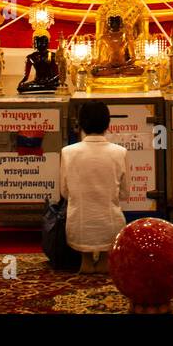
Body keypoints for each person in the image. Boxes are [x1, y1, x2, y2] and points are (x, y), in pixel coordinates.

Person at [58, 100, 128, 274]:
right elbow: (125, 193)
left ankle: (86, 261)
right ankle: (104, 260)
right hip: (111, 227)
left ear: (80, 123)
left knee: (80, 214)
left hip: (78, 226)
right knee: (110, 220)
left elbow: (64, 192)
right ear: (107, 123)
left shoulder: (68, 152)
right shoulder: (120, 153)